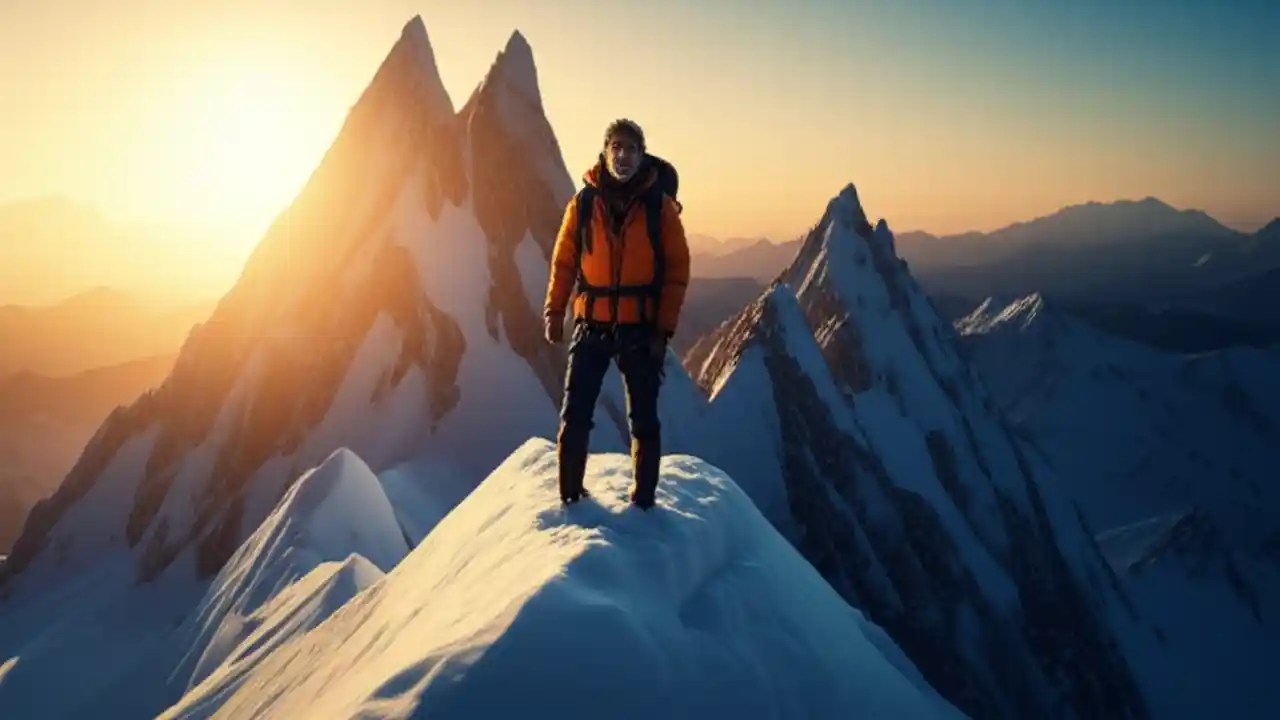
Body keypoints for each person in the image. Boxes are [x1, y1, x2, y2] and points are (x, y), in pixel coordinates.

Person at [543, 118, 690, 510]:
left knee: (643, 419)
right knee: (575, 414)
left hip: (640, 329)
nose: (623, 156)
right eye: (617, 148)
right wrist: (554, 311)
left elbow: (677, 271)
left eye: (631, 149)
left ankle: (643, 501)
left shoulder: (660, 209)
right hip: (591, 325)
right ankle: (570, 497)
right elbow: (564, 262)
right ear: (605, 152)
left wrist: (663, 330)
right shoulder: (583, 204)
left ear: (643, 157)